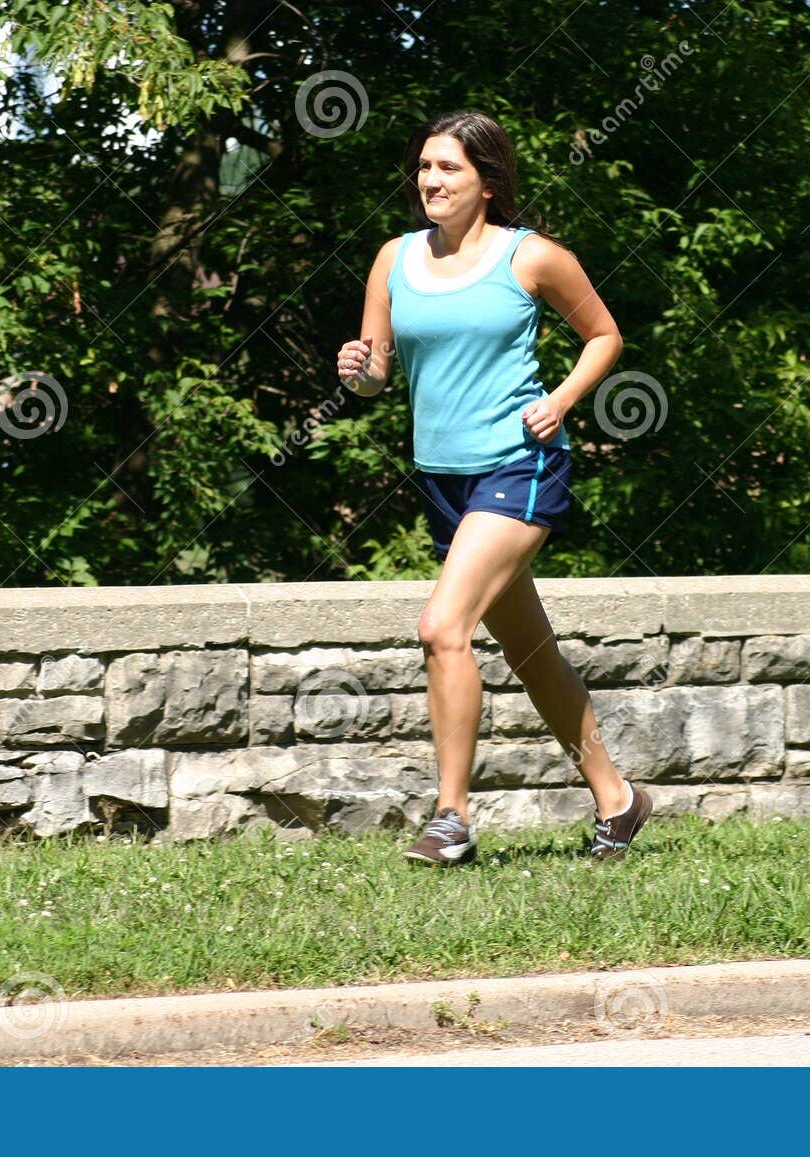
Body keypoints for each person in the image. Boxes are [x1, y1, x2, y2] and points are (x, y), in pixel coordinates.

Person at [335, 110, 653, 865]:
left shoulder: (531, 257)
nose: (430, 181)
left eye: (447, 168)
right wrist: (362, 372)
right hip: (442, 478)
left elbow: (604, 335)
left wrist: (563, 399)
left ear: (487, 181)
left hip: (520, 463)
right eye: (423, 168)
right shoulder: (394, 258)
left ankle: (451, 818)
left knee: (442, 627)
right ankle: (619, 798)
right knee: (530, 649)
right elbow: (379, 373)